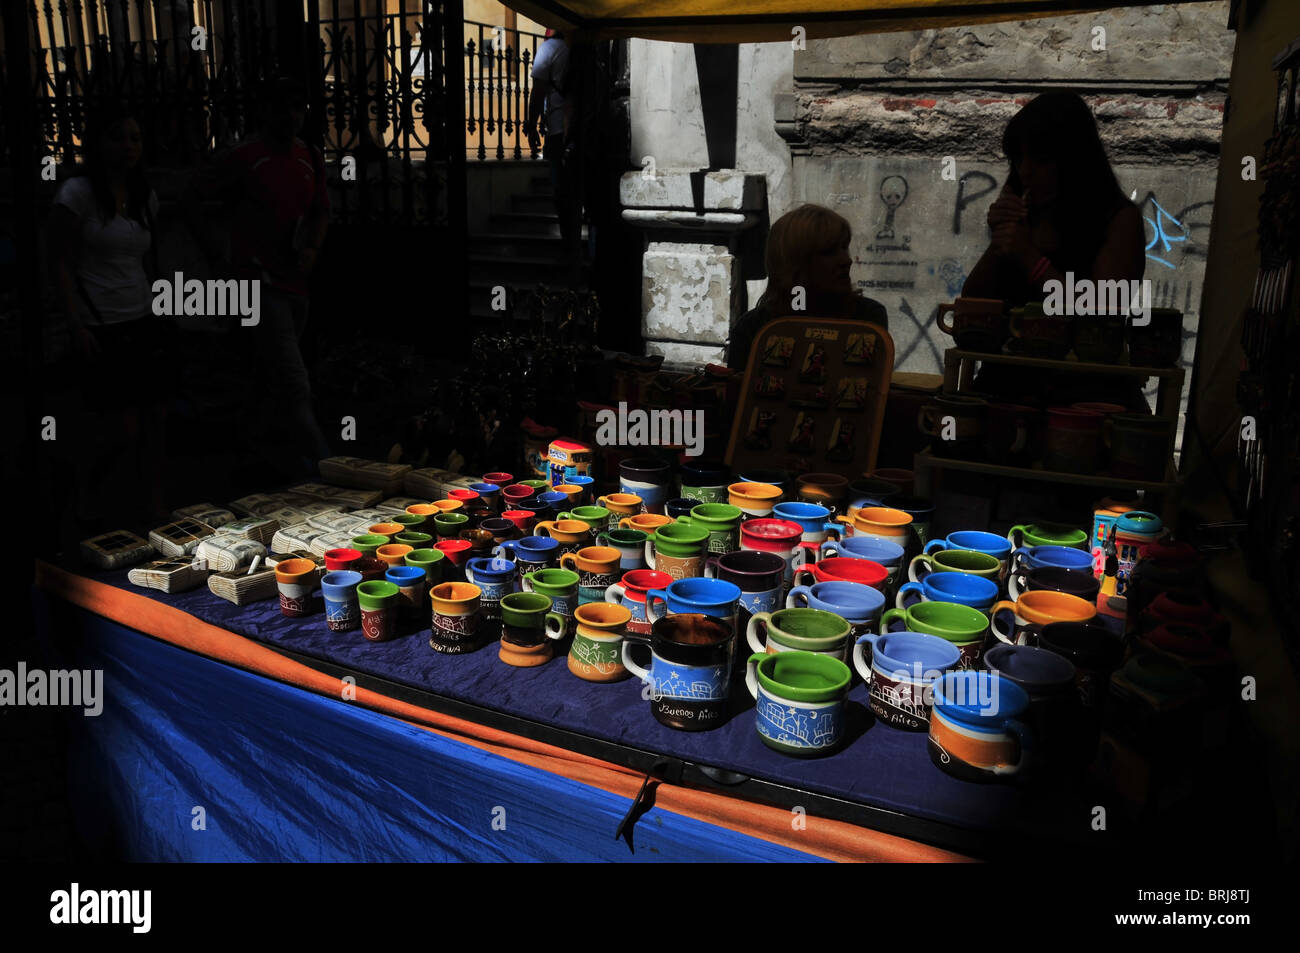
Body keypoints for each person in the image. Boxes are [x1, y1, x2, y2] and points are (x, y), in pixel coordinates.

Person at [961, 91, 1147, 407]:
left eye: (1040, 159)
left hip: (1087, 399)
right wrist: (999, 243)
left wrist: (1030, 259)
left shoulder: (1118, 220)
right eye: (1018, 159)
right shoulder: (1027, 217)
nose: (1025, 171)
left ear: (1075, 162)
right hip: (1009, 389)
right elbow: (972, 307)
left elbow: (1100, 314)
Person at [186, 76, 331, 479]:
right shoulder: (244, 157)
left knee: (269, 371)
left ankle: (252, 447)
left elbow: (321, 211)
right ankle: (323, 463)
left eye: (297, 107)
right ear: (265, 112)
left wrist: (311, 249)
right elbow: (195, 200)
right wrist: (220, 256)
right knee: (291, 374)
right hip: (256, 283)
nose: (290, 116)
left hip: (294, 281)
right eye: (281, 107)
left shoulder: (311, 157)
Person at [48, 102, 170, 530]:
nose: (128, 146)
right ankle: (87, 505)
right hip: (100, 324)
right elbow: (59, 261)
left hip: (140, 317)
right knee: (121, 427)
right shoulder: (77, 195)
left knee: (154, 420)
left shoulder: (142, 195)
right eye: (118, 137)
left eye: (135, 138)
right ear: (98, 143)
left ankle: (151, 509)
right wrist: (75, 322)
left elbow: (148, 259)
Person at [727, 204, 888, 372]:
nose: (846, 260)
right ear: (795, 262)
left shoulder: (867, 317)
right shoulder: (753, 329)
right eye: (829, 252)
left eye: (844, 248)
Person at [527, 29, 581, 267]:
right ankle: (580, 245)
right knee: (577, 190)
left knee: (561, 192)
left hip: (560, 132)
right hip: (584, 130)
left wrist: (530, 125)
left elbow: (538, 92)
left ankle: (569, 245)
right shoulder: (583, 49)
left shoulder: (548, 50)